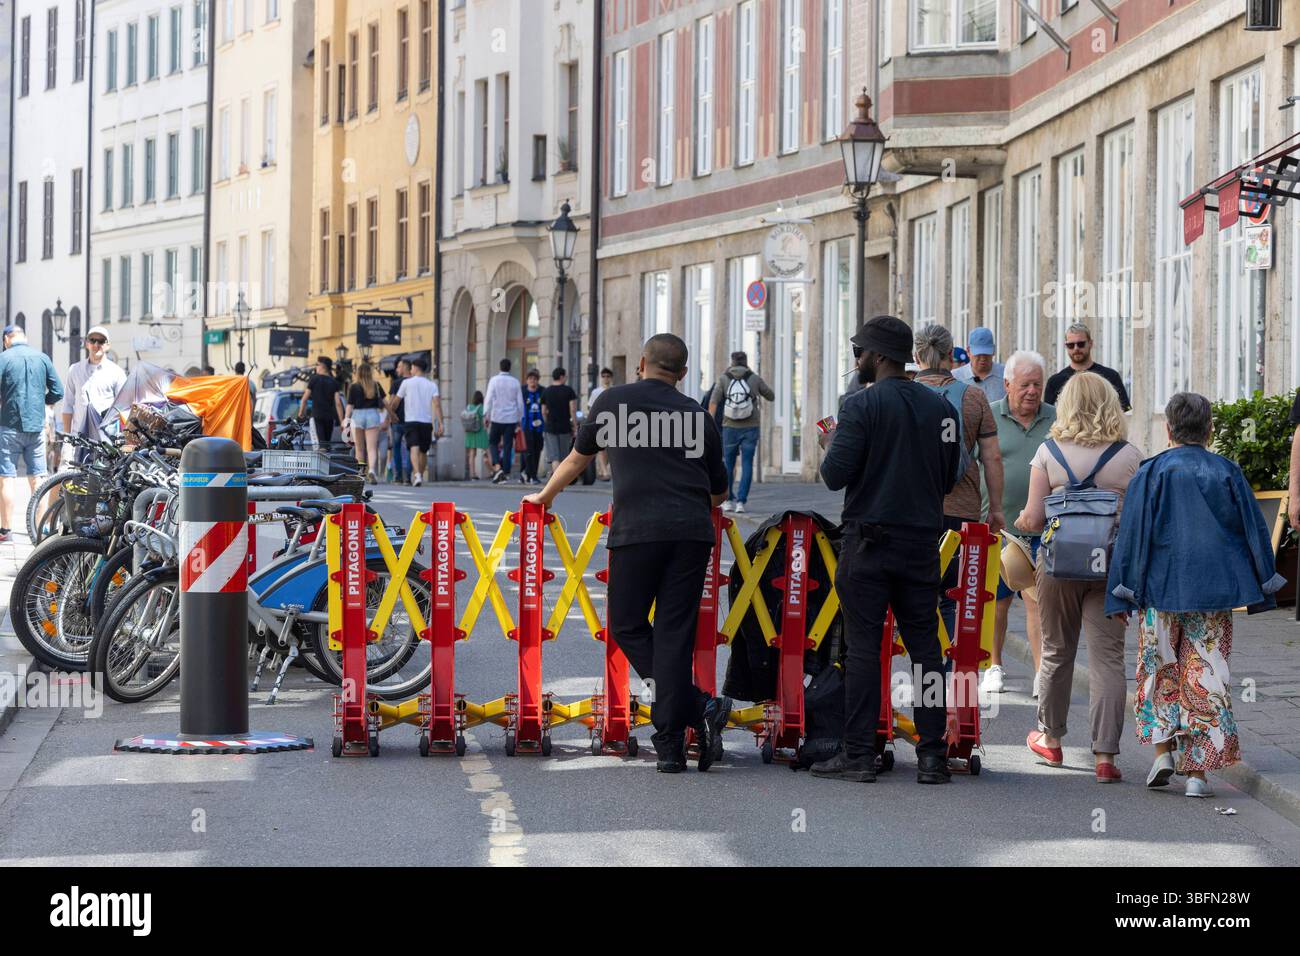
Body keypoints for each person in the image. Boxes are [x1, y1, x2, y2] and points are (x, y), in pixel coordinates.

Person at [524, 334, 731, 773]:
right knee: (674, 636)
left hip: (636, 532)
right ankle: (675, 737)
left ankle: (693, 712)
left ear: (641, 364)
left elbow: (577, 460)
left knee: (627, 624)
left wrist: (545, 496)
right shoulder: (698, 415)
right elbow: (720, 494)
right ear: (684, 373)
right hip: (691, 535)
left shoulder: (611, 402)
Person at [1107, 392, 1283, 798]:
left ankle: (1162, 755)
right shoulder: (1227, 471)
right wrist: (1266, 583)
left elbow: (1130, 537)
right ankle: (1198, 776)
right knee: (1206, 677)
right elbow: (1254, 532)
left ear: (1168, 429)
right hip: (1213, 593)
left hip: (1158, 592)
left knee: (1159, 673)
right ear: (1210, 430)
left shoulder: (1151, 472)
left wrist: (1121, 596)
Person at [815, 315, 962, 785]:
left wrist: (830, 442)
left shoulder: (859, 406)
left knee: (863, 650)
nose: (856, 359)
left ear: (878, 356)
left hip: (869, 544)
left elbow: (834, 475)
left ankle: (858, 754)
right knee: (927, 651)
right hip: (921, 545)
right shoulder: (942, 410)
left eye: (860, 351)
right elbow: (948, 478)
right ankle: (933, 756)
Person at [1015, 372, 1142, 784]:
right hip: (1110, 568)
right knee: (1107, 660)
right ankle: (1105, 756)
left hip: (1057, 566)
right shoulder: (1128, 457)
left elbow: (1033, 520)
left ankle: (1051, 740)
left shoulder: (1048, 453)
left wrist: (1019, 521)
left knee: (1056, 650)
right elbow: (1138, 525)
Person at [913, 323, 1005, 648]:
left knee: (918, 602)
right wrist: (995, 509)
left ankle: (928, 688)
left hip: (913, 514)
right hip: (962, 514)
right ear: (953, 356)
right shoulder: (974, 397)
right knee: (956, 599)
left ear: (916, 355)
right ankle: (961, 683)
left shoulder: (904, 396)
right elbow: (992, 458)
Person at [984, 350, 1055, 695]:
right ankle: (994, 664)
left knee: (1036, 601)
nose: (1032, 391)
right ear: (1008, 384)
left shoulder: (1054, 419)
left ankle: (1041, 672)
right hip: (1000, 527)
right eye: (1025, 384)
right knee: (997, 602)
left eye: (1037, 384)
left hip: (1042, 529)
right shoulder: (990, 417)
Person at [0, 326, 63, 542]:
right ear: (24, 338)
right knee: (38, 478)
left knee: (6, 478)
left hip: (8, 425)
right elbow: (58, 391)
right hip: (36, 426)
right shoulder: (42, 358)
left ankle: (6, 530)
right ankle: (39, 529)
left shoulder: (3, 358)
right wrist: (40, 402)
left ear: (7, 338)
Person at [708, 351, 774, 514]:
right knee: (747, 463)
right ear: (745, 362)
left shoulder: (724, 378)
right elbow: (770, 396)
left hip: (729, 427)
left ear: (732, 362)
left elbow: (713, 402)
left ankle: (729, 500)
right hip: (750, 427)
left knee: (728, 464)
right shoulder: (754, 378)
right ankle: (741, 503)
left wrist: (709, 423)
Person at [61, 325, 126, 454]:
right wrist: (66, 440)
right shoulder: (74, 370)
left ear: (107, 345)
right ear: (87, 344)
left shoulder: (117, 372)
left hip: (106, 440)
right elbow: (67, 405)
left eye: (101, 341)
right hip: (79, 439)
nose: (96, 344)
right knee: (76, 474)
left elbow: (123, 409)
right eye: (92, 340)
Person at [1044, 322, 1131, 411]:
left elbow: (1125, 410)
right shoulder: (1055, 381)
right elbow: (1048, 416)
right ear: (1065, 346)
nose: (1076, 348)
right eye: (1071, 345)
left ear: (1090, 343)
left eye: (1081, 344)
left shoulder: (1111, 376)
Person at [394, 356, 442, 487]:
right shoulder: (432, 384)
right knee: (423, 450)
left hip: (411, 421)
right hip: (426, 422)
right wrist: (441, 423)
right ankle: (418, 474)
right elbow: (437, 404)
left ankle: (417, 475)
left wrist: (391, 414)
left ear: (415, 368)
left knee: (413, 447)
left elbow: (396, 401)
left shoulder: (406, 383)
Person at [344, 362, 387, 483]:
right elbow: (385, 402)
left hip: (357, 415)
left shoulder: (354, 386)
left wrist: (346, 419)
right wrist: (391, 414)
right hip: (373, 415)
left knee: (359, 448)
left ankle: (361, 472)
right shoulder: (376, 385)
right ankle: (372, 470)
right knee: (372, 448)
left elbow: (349, 405)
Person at [483, 358, 525, 484]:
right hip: (511, 418)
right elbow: (520, 402)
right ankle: (505, 471)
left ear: (500, 367)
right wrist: (519, 418)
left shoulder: (494, 380)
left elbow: (489, 398)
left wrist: (486, 415)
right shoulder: (515, 382)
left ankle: (497, 466)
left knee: (493, 443)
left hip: (497, 417)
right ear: (509, 367)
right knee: (507, 445)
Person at [298, 356, 345, 445]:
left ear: (322, 366)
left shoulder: (314, 380)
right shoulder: (334, 382)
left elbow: (304, 399)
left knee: (318, 445)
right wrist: (342, 421)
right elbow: (338, 403)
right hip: (330, 418)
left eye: (317, 364)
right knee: (326, 444)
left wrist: (301, 413)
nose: (316, 367)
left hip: (316, 417)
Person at [952, 326, 1006, 402]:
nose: (983, 358)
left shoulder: (1005, 375)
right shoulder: (955, 377)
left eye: (986, 353)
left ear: (993, 350)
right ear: (968, 351)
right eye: (978, 354)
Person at [541, 367, 577, 478]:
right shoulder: (569, 391)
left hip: (550, 427)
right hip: (564, 427)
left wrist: (547, 422)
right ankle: (560, 481)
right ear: (561, 377)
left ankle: (556, 482)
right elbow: (572, 410)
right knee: (563, 456)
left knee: (554, 456)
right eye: (565, 376)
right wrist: (575, 426)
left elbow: (543, 411)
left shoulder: (546, 391)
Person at [387, 359, 412, 484]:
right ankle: (408, 477)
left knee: (396, 448)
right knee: (410, 448)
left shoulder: (396, 383)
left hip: (397, 420)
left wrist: (390, 416)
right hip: (411, 420)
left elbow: (391, 402)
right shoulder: (414, 383)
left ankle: (398, 477)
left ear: (404, 368)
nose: (397, 370)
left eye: (398, 367)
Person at [520, 369, 545, 485]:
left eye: (534, 379)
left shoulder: (542, 391)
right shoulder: (522, 392)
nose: (532, 381)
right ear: (527, 381)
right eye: (530, 379)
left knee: (537, 450)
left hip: (539, 427)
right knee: (528, 451)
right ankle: (532, 476)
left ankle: (525, 473)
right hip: (526, 427)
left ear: (537, 381)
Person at [589, 367, 614, 480]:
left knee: (610, 449)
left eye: (608, 376)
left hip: (613, 422)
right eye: (603, 376)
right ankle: (604, 472)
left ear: (611, 378)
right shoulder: (596, 392)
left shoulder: (615, 390)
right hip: (600, 422)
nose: (606, 378)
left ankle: (602, 469)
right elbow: (591, 407)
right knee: (601, 448)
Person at [462, 390, 490, 479]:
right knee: (488, 451)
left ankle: (472, 474)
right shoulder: (481, 407)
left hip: (470, 432)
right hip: (480, 431)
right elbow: (485, 420)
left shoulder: (469, 406)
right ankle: (493, 471)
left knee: (472, 453)